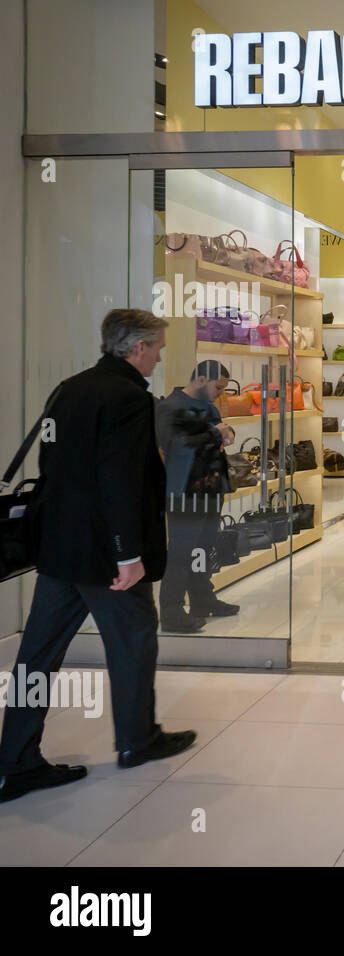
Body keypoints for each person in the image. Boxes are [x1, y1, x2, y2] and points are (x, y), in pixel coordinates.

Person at [0, 310, 198, 804]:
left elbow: (52, 464)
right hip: (107, 555)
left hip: (59, 548)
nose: (159, 355)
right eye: (155, 347)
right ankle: (137, 740)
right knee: (133, 643)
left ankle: (14, 762)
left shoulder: (70, 388)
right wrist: (127, 554)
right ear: (135, 348)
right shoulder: (129, 399)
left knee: (36, 657)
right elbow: (120, 482)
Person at [155, 359, 239, 632]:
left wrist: (227, 434)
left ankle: (203, 598)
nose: (221, 393)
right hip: (185, 492)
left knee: (203, 547)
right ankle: (171, 610)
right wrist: (215, 433)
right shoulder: (170, 407)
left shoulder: (209, 407)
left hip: (210, 489)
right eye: (218, 387)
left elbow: (217, 433)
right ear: (201, 380)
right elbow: (176, 445)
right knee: (181, 551)